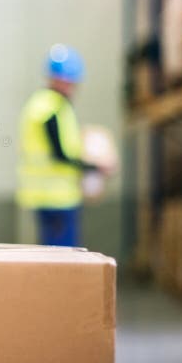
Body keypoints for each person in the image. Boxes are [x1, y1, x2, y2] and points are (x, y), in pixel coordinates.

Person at [15, 44, 107, 247]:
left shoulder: (40, 103)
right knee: (62, 259)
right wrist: (94, 167)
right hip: (58, 197)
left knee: (52, 257)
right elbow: (59, 154)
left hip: (43, 194)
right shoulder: (52, 107)